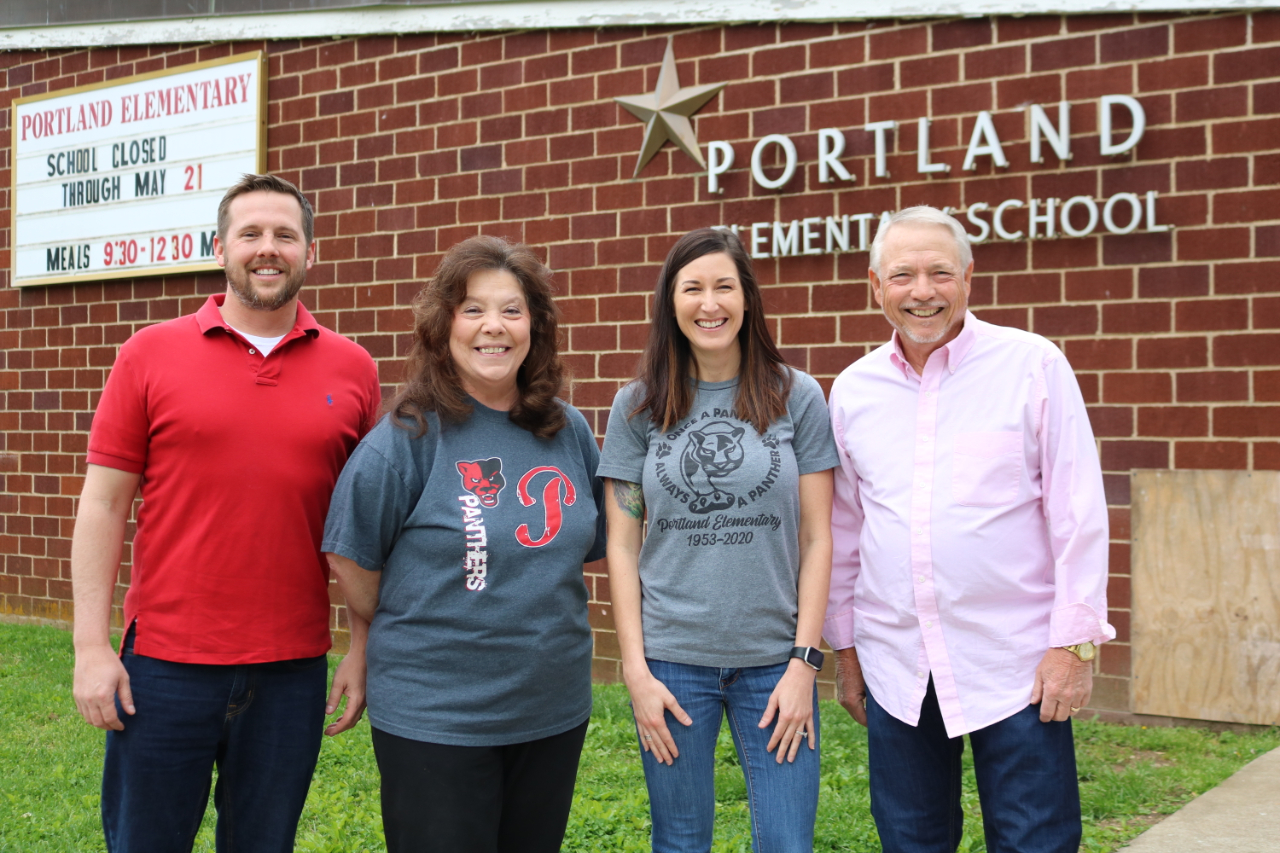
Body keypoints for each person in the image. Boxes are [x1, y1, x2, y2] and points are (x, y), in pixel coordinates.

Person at [70, 173, 382, 853]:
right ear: (221, 247)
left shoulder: (353, 368)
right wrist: (92, 647)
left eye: (284, 235)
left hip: (291, 667)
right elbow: (103, 503)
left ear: (309, 252)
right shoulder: (148, 353)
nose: (267, 249)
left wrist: (361, 646)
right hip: (164, 664)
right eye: (251, 234)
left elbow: (366, 525)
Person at [825, 206, 1114, 853]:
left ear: (968, 278)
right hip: (896, 663)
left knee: (1035, 840)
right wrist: (846, 651)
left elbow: (1078, 513)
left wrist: (1074, 644)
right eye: (903, 275)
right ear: (876, 285)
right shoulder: (852, 392)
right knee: (911, 840)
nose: (921, 291)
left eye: (939, 272)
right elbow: (844, 533)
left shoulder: (1032, 366)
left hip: (1015, 662)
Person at [322, 235, 607, 853]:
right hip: (436, 718)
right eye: (473, 309)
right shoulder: (407, 438)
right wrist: (404, 616)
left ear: (534, 325)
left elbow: (587, 542)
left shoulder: (567, 429)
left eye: (511, 310)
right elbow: (350, 554)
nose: (493, 327)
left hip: (550, 710)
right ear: (443, 324)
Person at [598, 227, 838, 853]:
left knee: (788, 842)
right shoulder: (638, 407)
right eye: (692, 288)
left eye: (724, 286)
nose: (710, 303)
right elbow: (620, 547)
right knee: (679, 841)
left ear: (747, 298)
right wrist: (636, 671)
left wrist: (803, 664)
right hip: (673, 664)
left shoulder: (796, 395)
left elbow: (817, 537)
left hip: (774, 663)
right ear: (670, 303)